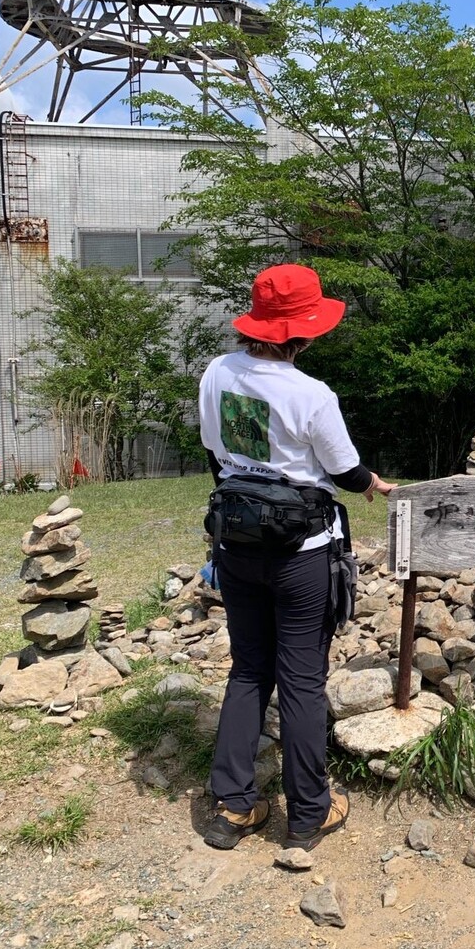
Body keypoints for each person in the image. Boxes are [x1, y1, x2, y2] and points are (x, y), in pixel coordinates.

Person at [198, 264, 395, 852]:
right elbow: (342, 468)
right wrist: (373, 486)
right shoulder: (311, 393)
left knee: (249, 667)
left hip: (236, 543)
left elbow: (215, 448)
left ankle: (233, 805)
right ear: (301, 332)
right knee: (302, 678)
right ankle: (308, 812)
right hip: (302, 553)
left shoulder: (216, 373)